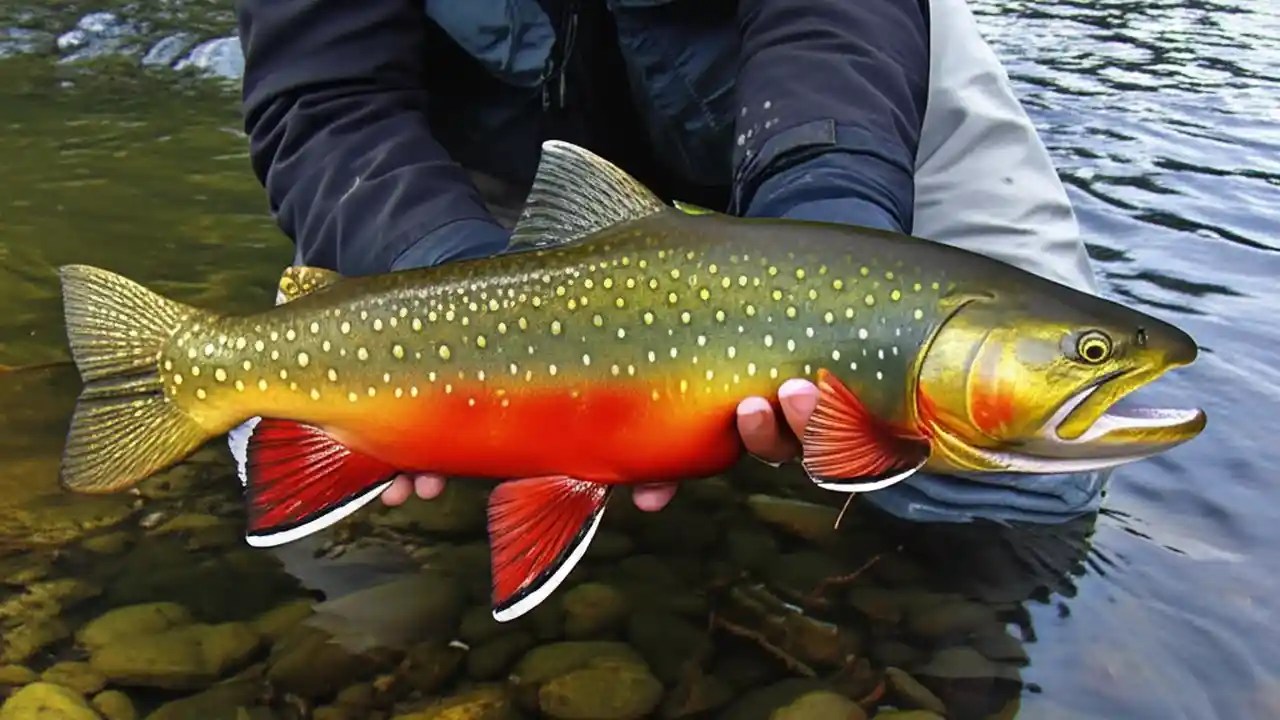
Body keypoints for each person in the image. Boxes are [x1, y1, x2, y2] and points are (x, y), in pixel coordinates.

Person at [235, 0, 1107, 525]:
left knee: (1026, 486)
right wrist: (466, 289)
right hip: (481, 138)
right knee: (350, 547)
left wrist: (833, 213)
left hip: (851, 79)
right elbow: (329, 99)